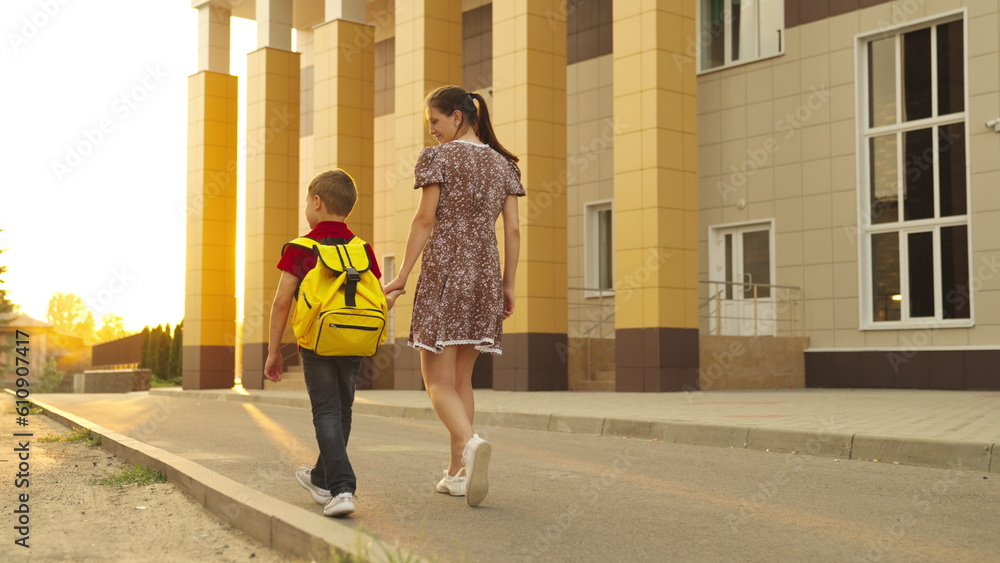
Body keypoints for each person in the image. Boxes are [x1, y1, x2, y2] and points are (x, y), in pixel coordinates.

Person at [383, 85, 524, 507]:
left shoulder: (439, 158)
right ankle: (457, 474)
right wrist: (508, 284)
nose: (433, 132)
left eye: (435, 122)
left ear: (457, 118)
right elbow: (513, 230)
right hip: (484, 274)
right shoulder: (504, 165)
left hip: (445, 271)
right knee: (461, 379)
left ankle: (470, 442)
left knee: (437, 381)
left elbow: (425, 219)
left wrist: (402, 275)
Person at [264, 169, 403, 518]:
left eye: (306, 203)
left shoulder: (301, 248)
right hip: (355, 339)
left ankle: (342, 489)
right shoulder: (363, 250)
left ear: (317, 201)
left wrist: (272, 351)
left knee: (326, 410)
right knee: (342, 410)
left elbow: (282, 301)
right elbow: (374, 298)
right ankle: (321, 478)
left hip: (316, 343)